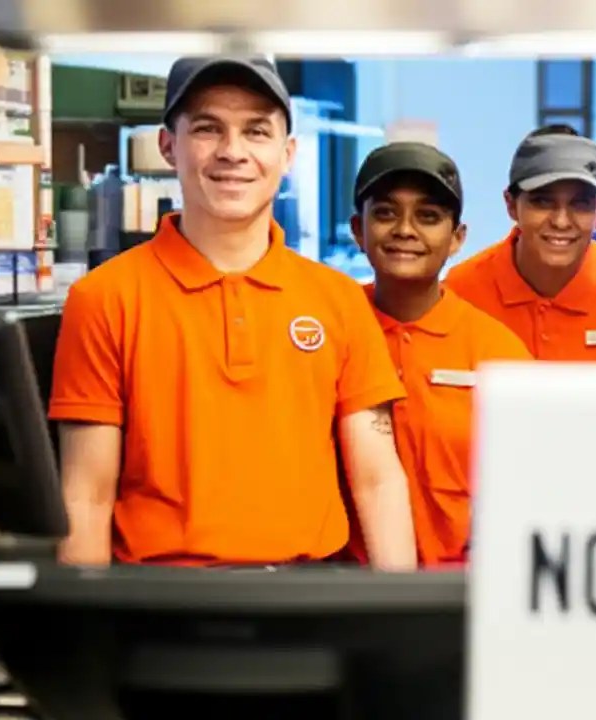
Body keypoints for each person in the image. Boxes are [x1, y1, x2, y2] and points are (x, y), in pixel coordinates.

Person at [48, 55, 416, 570]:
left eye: (256, 131)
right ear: (168, 145)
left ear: (288, 153)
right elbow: (85, 496)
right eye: (207, 128)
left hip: (307, 598)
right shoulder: (103, 298)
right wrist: (85, 639)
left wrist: (395, 624)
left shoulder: (338, 300)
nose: (232, 152)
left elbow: (378, 482)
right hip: (162, 602)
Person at [349, 141, 531, 566]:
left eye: (428, 217)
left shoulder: (496, 352)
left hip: (462, 588)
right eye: (386, 213)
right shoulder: (334, 328)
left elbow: (525, 486)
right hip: (343, 586)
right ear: (359, 230)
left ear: (457, 238)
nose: (405, 230)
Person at [444, 125, 596, 361]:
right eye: (542, 202)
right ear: (511, 205)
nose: (561, 221)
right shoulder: (462, 291)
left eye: (580, 203)